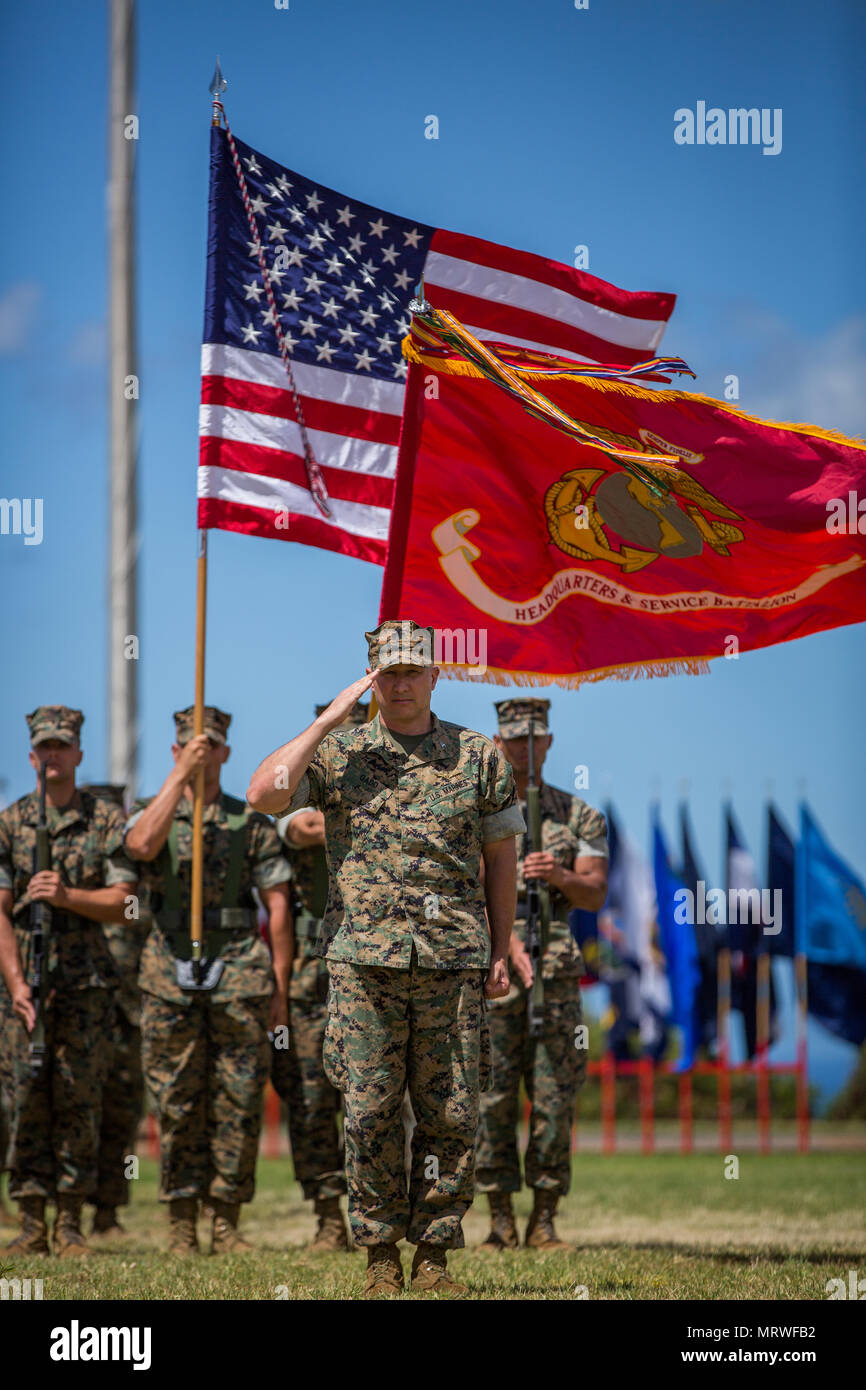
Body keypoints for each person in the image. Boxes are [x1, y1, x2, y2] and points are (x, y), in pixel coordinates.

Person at [247, 619, 525, 1298]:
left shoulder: (478, 757)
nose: (401, 685)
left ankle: (432, 1255)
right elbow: (264, 794)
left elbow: (501, 861)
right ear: (373, 678)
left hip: (450, 962)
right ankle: (378, 1255)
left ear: (436, 676)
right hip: (363, 963)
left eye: (412, 671)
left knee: (450, 1113)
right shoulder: (340, 755)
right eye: (388, 674)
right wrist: (329, 720)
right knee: (368, 1112)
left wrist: (498, 949)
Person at [124, 706, 293, 1255]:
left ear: (225, 752)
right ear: (176, 752)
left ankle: (225, 1221)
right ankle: (180, 1222)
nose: (203, 754)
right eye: (191, 747)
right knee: (175, 1101)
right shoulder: (153, 813)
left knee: (237, 1101)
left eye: (212, 746)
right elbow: (140, 848)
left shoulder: (251, 823)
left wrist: (280, 987)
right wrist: (179, 780)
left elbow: (278, 903)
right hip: (167, 973)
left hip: (240, 973)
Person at [0, 706, 138, 1257]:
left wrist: (67, 897)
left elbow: (127, 904)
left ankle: (71, 1224)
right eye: (44, 747)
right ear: (32, 756)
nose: (53, 755)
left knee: (80, 1100)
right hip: (25, 990)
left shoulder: (105, 820)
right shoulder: (10, 824)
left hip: (85, 988)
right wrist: (15, 986)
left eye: (63, 746)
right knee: (25, 1097)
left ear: (79, 754)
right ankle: (31, 1221)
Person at [475, 698, 608, 1250]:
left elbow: (596, 891)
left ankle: (545, 1216)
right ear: (499, 742)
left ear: (548, 743)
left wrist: (558, 873)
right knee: (491, 1096)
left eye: (533, 739)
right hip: (496, 968)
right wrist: (504, 941)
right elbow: (467, 888)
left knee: (554, 1095)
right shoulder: (480, 813)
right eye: (512, 739)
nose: (523, 748)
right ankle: (500, 1216)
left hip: (554, 966)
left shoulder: (580, 816)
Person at [271, 700, 368, 1253]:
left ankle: (378, 1208)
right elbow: (301, 827)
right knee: (311, 1093)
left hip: (375, 958)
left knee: (378, 1093)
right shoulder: (303, 791)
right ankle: (329, 1214)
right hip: (316, 967)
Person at [80, 783, 148, 1243]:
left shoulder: (137, 873)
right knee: (74, 1108)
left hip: (129, 1010)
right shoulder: (77, 870)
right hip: (82, 1003)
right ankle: (57, 1212)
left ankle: (108, 1212)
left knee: (123, 1112)